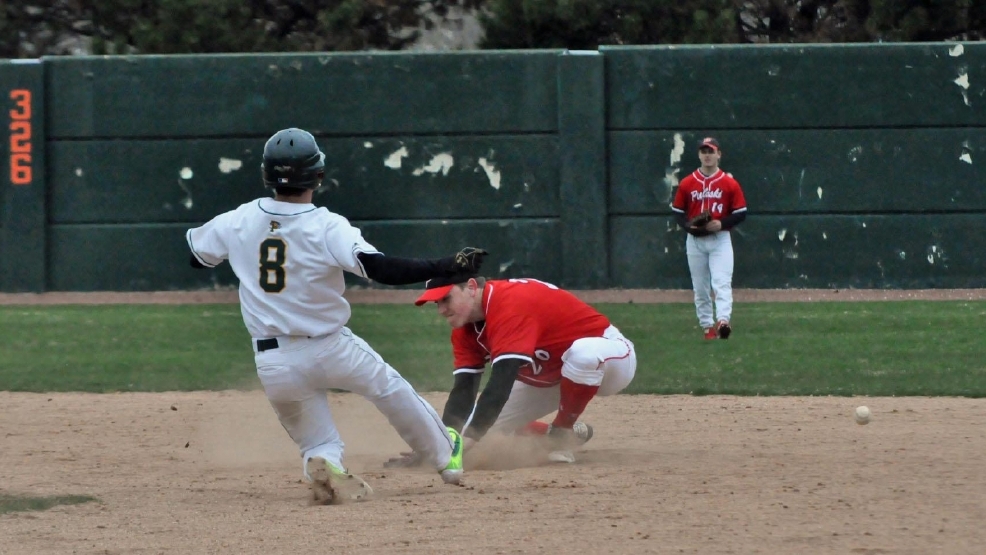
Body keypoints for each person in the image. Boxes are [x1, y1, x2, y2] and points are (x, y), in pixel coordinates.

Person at [185, 127, 488, 504]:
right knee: (391, 390)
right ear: (318, 175)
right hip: (330, 346)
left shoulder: (239, 219)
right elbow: (381, 269)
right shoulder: (326, 225)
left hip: (273, 359)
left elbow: (196, 256)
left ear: (266, 175)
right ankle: (447, 460)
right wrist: (445, 264)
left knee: (318, 439)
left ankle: (322, 460)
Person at [412, 273, 637, 463]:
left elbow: (501, 384)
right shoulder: (464, 329)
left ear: (471, 287)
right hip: (549, 378)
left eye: (446, 299)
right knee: (480, 432)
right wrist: (437, 448)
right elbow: (463, 392)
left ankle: (562, 431)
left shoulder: (510, 304)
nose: (441, 309)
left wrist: (456, 452)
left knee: (583, 355)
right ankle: (551, 434)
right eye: (437, 303)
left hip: (610, 360)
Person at [671, 137, 747, 340]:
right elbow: (678, 211)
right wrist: (688, 225)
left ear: (718, 154)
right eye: (704, 151)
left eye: (711, 151)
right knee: (700, 286)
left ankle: (723, 321)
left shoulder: (729, 183)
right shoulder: (688, 182)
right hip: (695, 241)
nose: (707, 155)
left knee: (721, 282)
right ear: (698, 154)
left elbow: (741, 212)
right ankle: (707, 327)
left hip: (720, 238)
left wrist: (722, 223)